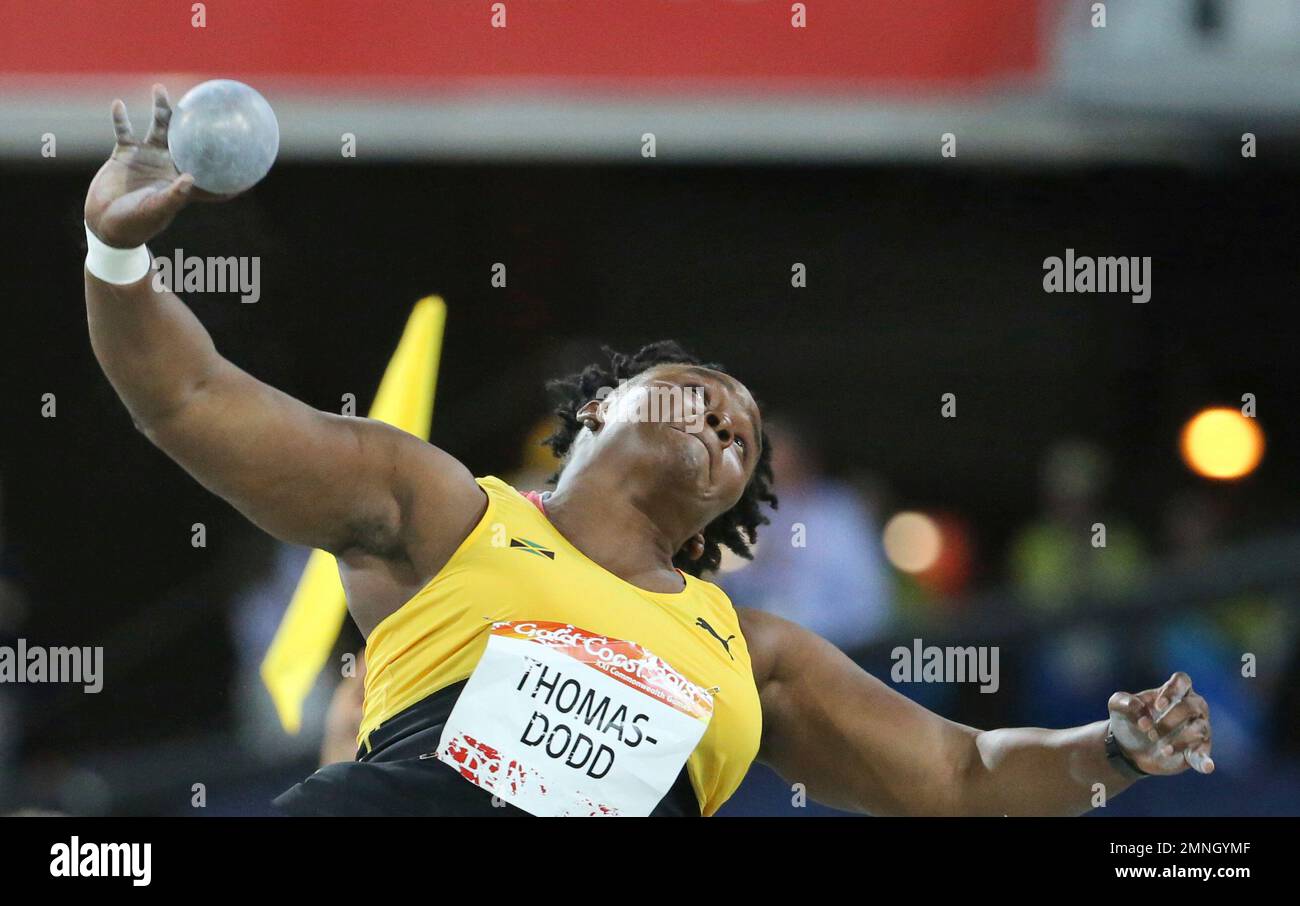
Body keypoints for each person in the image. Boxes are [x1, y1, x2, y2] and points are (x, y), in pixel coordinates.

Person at [80, 85, 1216, 817]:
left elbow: (962, 778)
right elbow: (188, 396)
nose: (727, 424)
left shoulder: (750, 647)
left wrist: (1109, 747)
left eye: (744, 439)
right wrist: (116, 260)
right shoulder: (442, 512)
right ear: (601, 404)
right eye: (701, 395)